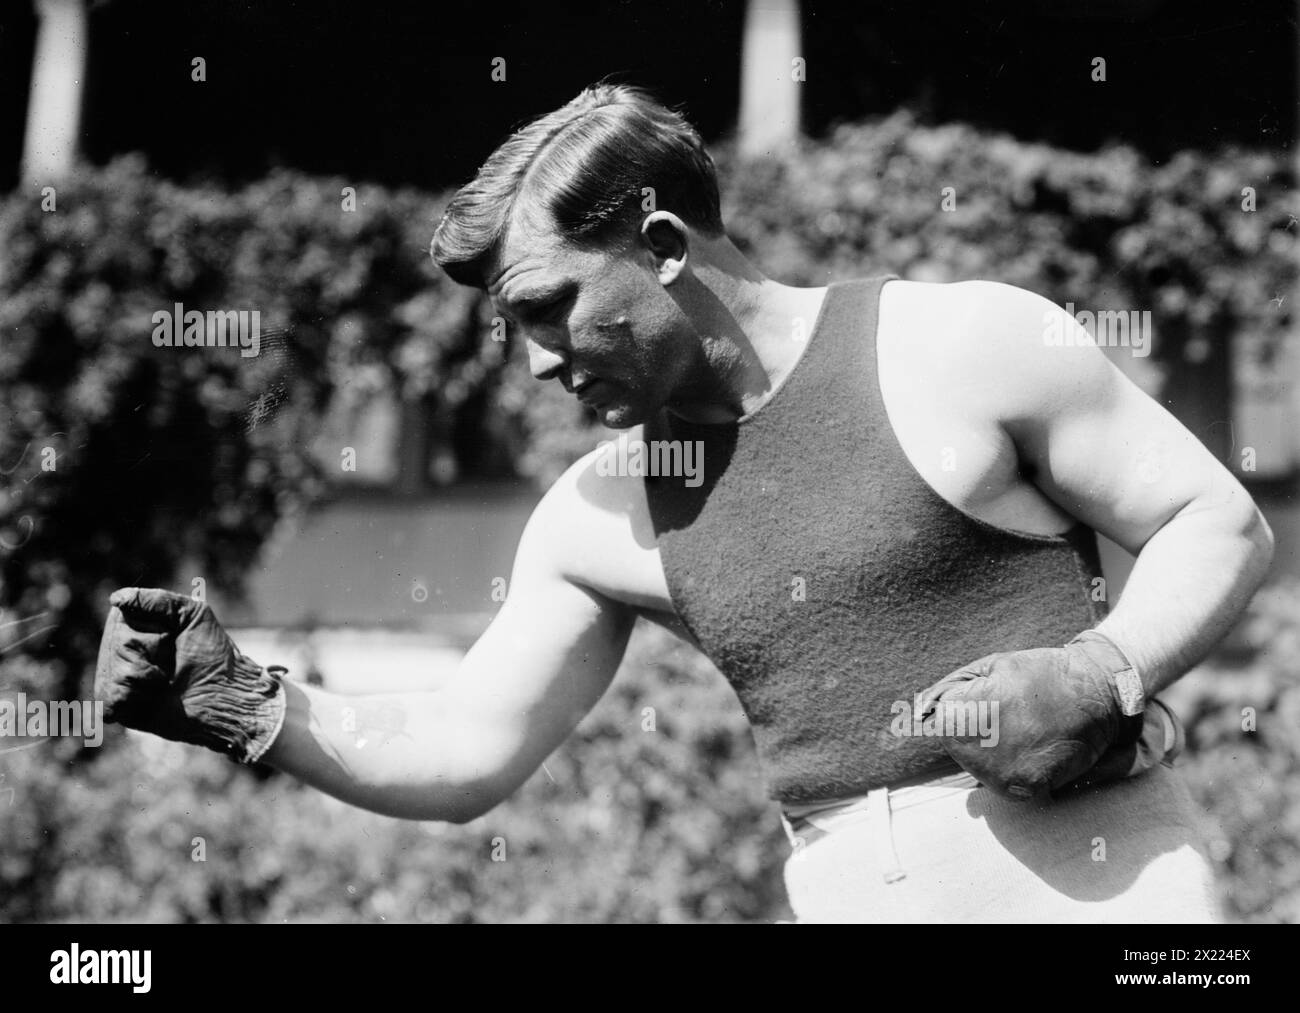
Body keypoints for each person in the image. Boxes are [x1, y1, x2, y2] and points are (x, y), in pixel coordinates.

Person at [96, 84, 1275, 923]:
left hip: (1105, 889)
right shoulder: (597, 514)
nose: (535, 362)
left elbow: (1215, 520)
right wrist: (247, 703)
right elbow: (463, 744)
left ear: (660, 242)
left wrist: (1103, 670)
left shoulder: (960, 342)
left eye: (550, 307)